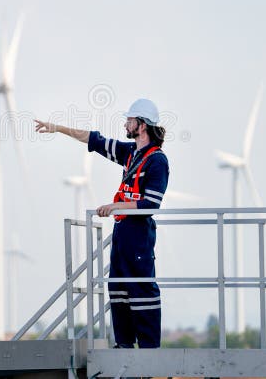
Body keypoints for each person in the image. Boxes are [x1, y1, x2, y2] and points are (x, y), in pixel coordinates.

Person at [34, 98, 170, 348]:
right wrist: (58, 128)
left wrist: (115, 206)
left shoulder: (157, 160)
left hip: (139, 236)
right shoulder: (130, 154)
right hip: (122, 233)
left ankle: (149, 352)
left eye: (130, 120)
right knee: (118, 288)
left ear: (142, 125)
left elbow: (151, 203)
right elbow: (95, 140)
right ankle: (124, 346)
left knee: (141, 290)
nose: (125, 124)